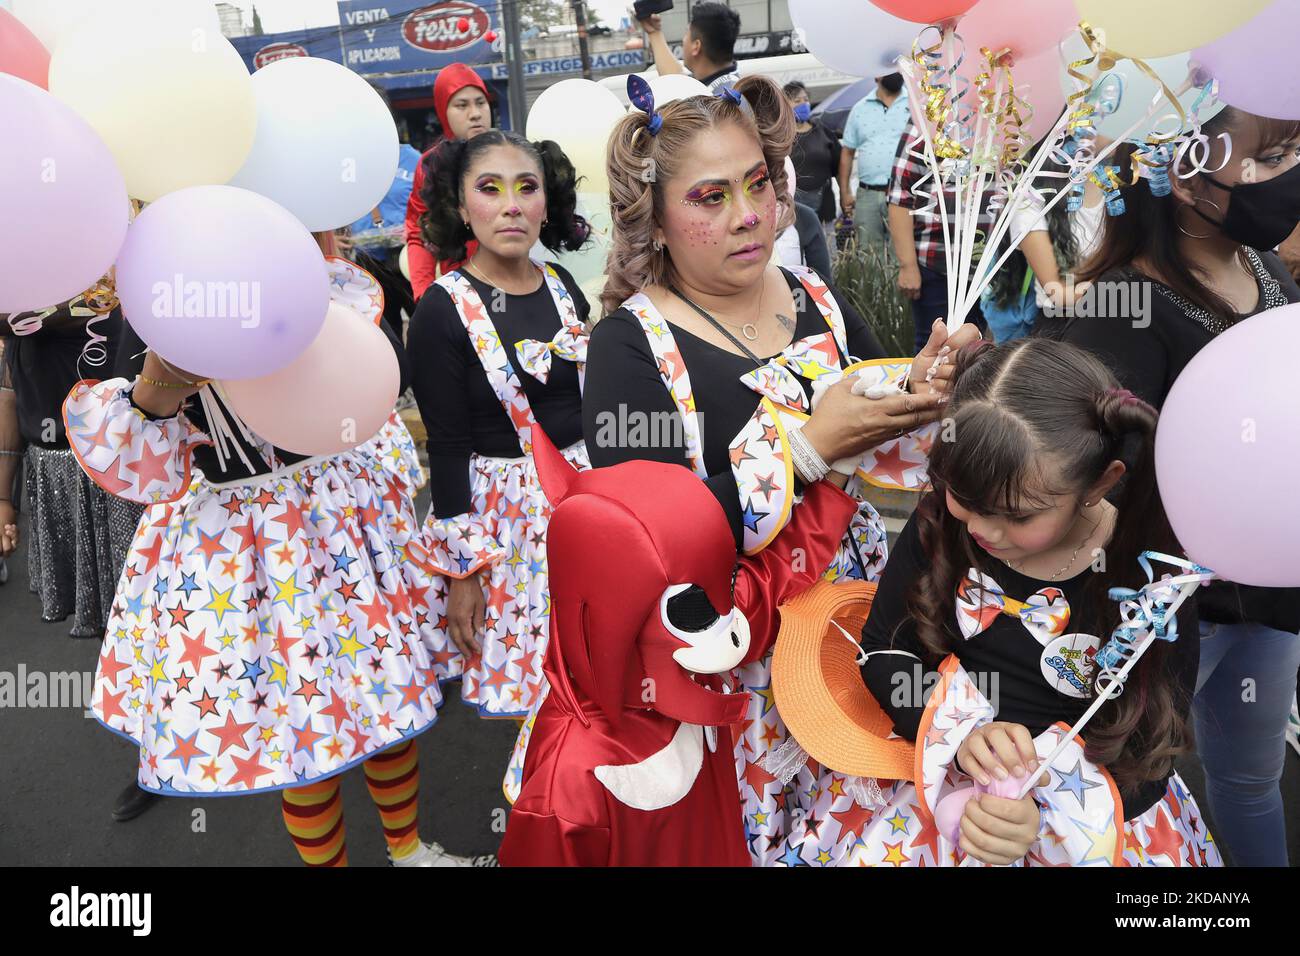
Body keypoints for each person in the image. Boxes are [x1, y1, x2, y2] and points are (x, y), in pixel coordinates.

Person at [588, 74, 978, 864]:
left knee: (876, 824)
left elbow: (871, 397)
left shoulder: (813, 296)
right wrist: (807, 451)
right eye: (708, 196)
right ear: (655, 219)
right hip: (738, 653)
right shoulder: (627, 348)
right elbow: (654, 551)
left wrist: (918, 387)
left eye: (757, 182)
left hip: (863, 620)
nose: (747, 214)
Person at [62, 246, 486, 867]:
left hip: (345, 520)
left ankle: (411, 852)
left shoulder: (306, 270)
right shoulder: (161, 291)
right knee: (305, 731)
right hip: (248, 545)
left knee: (390, 696)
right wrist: (164, 376)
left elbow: (359, 390)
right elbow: (147, 463)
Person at [783, 338, 1221, 866]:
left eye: (1018, 515)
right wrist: (957, 732)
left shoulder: (1151, 584)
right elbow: (883, 651)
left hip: (1087, 824)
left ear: (1100, 481)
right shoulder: (940, 525)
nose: (986, 529)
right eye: (965, 499)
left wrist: (1049, 813)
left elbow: (1154, 747)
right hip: (931, 794)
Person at [1056, 106, 1300, 866]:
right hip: (1166, 614)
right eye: (1269, 157)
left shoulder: (1264, 267)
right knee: (1128, 793)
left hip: (1269, 594)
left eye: (1294, 149)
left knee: (1252, 779)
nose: (1287, 175)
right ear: (1187, 173)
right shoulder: (1120, 309)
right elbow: (1092, 486)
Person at [405, 130, 591, 802]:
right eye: (490, 188)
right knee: (544, 694)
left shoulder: (564, 284)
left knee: (598, 677)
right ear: (461, 206)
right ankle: (543, 820)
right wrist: (465, 574)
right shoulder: (439, 311)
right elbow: (446, 449)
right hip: (510, 525)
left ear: (548, 203)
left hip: (585, 504)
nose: (511, 205)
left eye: (527, 187)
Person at [888, 121, 991, 352]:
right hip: (937, 265)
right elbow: (900, 196)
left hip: (993, 269)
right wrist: (908, 266)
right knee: (935, 347)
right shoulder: (929, 119)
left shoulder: (1001, 117)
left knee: (983, 351)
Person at [404, 63, 495, 302]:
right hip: (461, 294)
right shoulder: (431, 165)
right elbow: (419, 232)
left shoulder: (512, 154)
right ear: (444, 112)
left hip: (514, 283)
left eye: (480, 102)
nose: (475, 113)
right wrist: (424, 294)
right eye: (461, 105)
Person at [349, 85, 422, 340]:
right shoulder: (346, 164)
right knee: (384, 336)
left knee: (426, 329)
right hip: (369, 265)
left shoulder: (412, 159)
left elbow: (430, 208)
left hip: (410, 259)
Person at [838, 72, 911, 250]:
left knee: (902, 253)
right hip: (868, 195)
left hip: (904, 193)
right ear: (876, 76)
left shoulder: (915, 103)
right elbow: (847, 152)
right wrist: (845, 192)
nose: (895, 73)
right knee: (869, 256)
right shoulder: (860, 109)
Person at [637, 2, 741, 94]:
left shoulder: (713, 104)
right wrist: (654, 32)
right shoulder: (731, 89)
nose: (683, 40)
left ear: (696, 46)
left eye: (686, 33)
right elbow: (675, 78)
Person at [783, 81, 840, 230]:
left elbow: (838, 166)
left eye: (805, 100)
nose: (803, 104)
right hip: (794, 208)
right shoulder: (781, 137)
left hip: (825, 204)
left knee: (828, 245)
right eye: (797, 101)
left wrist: (845, 193)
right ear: (785, 106)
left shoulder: (822, 130)